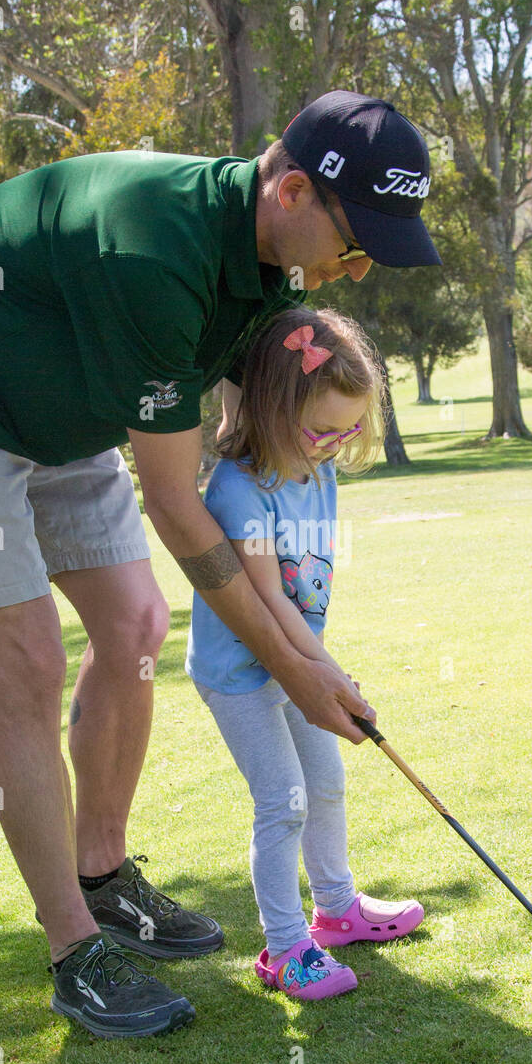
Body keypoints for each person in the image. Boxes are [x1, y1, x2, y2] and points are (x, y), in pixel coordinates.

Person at [0, 90, 440, 1038]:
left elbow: (245, 488)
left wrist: (313, 663)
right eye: (354, 246)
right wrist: (290, 670)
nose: (353, 272)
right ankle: (73, 949)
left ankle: (103, 874)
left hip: (57, 411)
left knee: (136, 627)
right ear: (290, 191)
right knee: (30, 660)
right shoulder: (156, 253)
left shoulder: (271, 278)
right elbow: (176, 505)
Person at [186, 305, 425, 999]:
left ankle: (337, 910)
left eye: (349, 428)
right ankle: (286, 948)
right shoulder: (238, 489)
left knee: (324, 784)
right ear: (273, 407)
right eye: (322, 428)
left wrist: (322, 669)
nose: (335, 442)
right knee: (283, 801)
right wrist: (321, 672)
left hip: (295, 660)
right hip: (240, 675)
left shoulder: (317, 475)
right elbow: (266, 601)